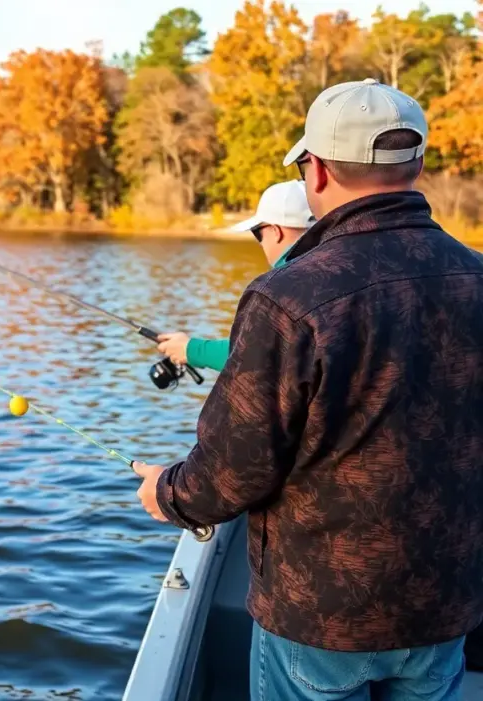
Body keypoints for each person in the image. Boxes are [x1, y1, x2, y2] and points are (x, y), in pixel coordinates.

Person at [134, 77, 483, 701]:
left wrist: (169, 493)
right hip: (445, 599)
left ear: (314, 171)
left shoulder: (289, 297)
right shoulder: (475, 276)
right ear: (419, 164)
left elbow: (235, 466)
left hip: (322, 616)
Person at [156, 180, 314, 372]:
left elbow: (253, 353)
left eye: (258, 233)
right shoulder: (346, 266)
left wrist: (191, 350)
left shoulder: (281, 287)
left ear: (276, 231)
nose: (259, 243)